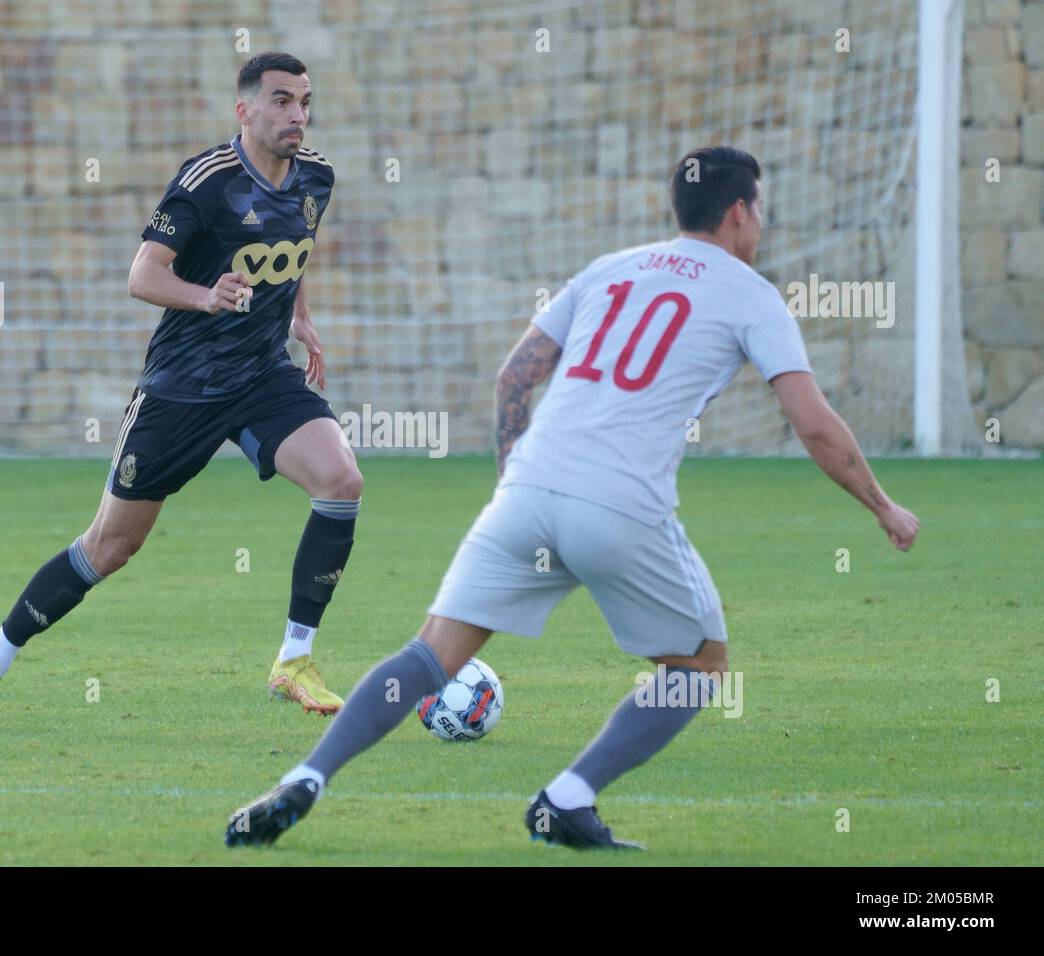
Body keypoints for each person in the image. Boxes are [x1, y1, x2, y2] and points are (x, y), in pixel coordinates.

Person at [224, 146, 920, 849]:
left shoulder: (609, 269)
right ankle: (567, 797)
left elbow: (512, 378)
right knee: (700, 666)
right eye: (760, 209)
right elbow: (814, 425)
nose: (761, 224)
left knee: (430, 656)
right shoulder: (749, 293)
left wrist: (512, 481)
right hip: (620, 504)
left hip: (526, 491)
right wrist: (883, 505)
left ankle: (308, 777)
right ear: (740, 212)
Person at [0, 52, 358, 731]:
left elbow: (292, 248)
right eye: (282, 101)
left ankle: (294, 658)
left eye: (304, 101)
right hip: (182, 389)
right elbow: (143, 276)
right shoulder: (206, 183)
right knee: (109, 548)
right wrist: (208, 296)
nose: (297, 116)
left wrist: (302, 321)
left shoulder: (317, 175)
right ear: (245, 110)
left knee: (341, 481)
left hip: (260, 376)